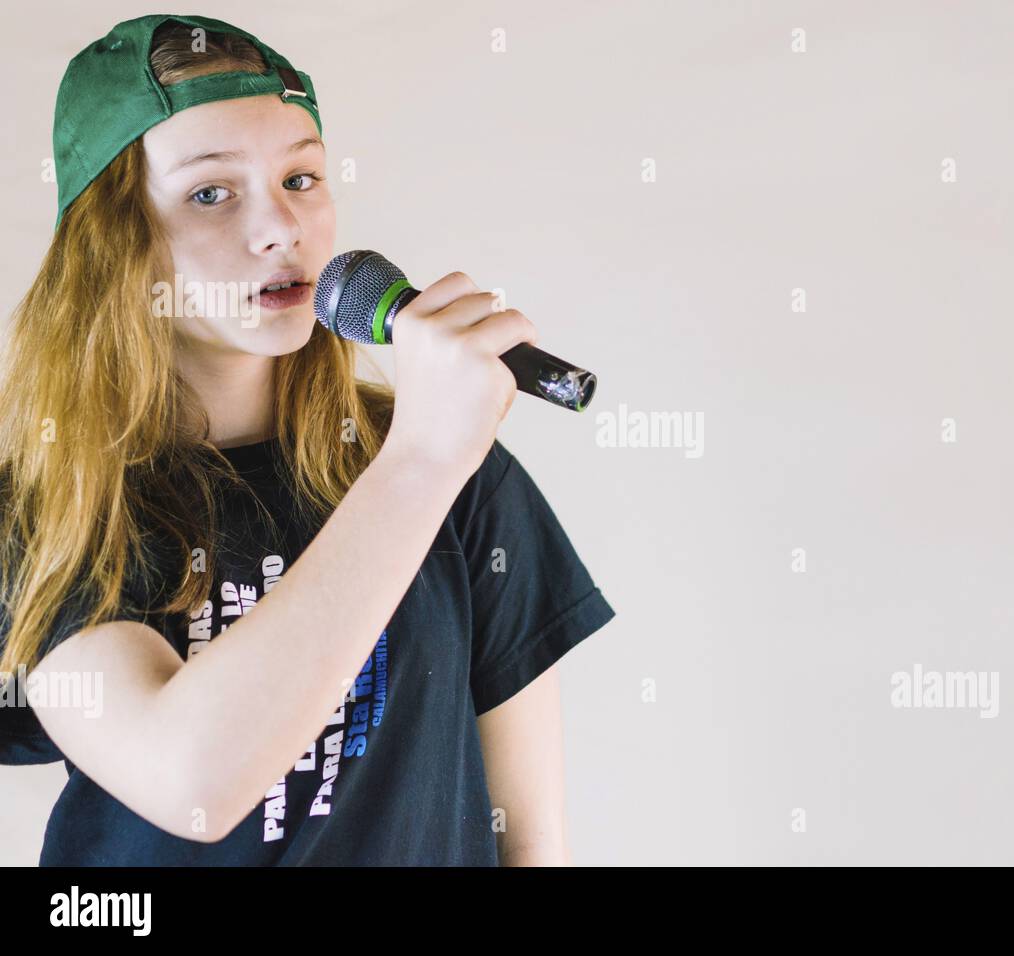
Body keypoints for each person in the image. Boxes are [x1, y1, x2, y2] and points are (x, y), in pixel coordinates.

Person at [0, 14, 615, 865]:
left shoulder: (459, 472)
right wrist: (423, 461)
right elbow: (192, 784)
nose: (280, 227)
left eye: (301, 177)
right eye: (211, 193)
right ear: (117, 246)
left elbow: (529, 837)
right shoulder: (51, 502)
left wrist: (431, 458)